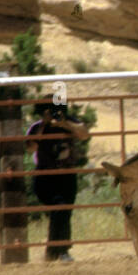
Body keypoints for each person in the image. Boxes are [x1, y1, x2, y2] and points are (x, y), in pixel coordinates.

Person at [26, 95, 90, 261]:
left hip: (67, 175)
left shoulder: (70, 124)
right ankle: (60, 251)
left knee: (63, 211)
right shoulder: (37, 127)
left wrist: (64, 124)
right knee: (59, 208)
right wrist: (45, 125)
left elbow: (84, 134)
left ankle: (55, 251)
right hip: (45, 176)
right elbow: (30, 148)